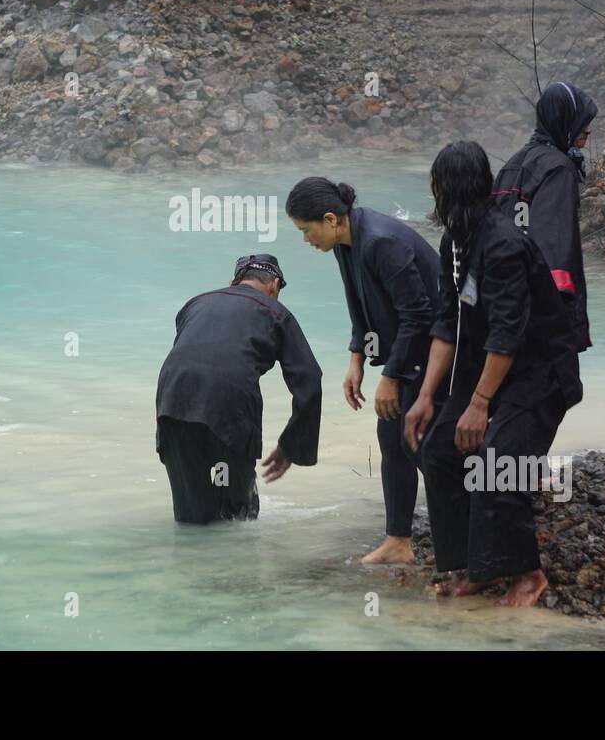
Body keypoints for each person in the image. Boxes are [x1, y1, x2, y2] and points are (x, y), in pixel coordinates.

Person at [404, 142, 582, 607]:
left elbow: (509, 330)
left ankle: (528, 573)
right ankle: (474, 566)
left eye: (436, 184)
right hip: (492, 367)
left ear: (448, 188)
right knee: (440, 449)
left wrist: (479, 405)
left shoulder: (503, 243)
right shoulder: (455, 241)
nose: (434, 192)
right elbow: (447, 321)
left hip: (538, 373)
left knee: (498, 464)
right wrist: (426, 397)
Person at [286, 178, 443, 564]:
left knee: (421, 445)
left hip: (437, 352)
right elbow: (359, 303)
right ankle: (399, 542)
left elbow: (418, 314)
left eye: (306, 230)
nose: (306, 240)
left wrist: (390, 377)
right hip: (406, 354)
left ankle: (469, 533)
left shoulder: (380, 242)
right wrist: (357, 356)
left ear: (330, 218)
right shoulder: (346, 241)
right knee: (392, 439)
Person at [155, 254, 322, 524]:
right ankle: (239, 562)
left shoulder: (194, 303)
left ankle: (191, 562)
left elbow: (192, 352)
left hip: (172, 401)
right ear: (274, 285)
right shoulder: (275, 311)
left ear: (233, 281)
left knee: (191, 518)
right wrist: (292, 444)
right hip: (228, 405)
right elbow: (310, 379)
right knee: (238, 514)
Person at [493, 81, 597, 352]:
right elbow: (552, 247)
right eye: (582, 121)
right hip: (539, 321)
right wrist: (564, 325)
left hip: (501, 307)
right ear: (562, 119)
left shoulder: (512, 164)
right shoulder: (559, 169)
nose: (588, 129)